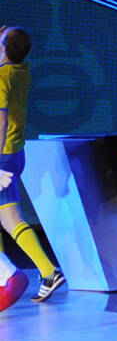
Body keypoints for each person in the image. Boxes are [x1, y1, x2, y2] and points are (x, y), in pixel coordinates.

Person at [0, 25, 66, 302]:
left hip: (2, 154)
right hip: (15, 152)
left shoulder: (2, 77)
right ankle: (21, 274)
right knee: (5, 216)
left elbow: (1, 121)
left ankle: (46, 270)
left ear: (3, 47)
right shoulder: (20, 70)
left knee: (10, 217)